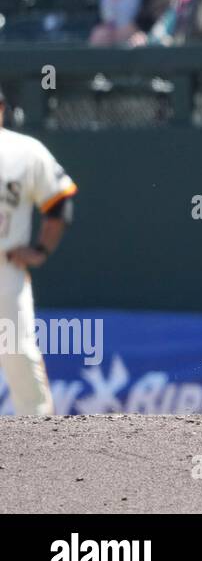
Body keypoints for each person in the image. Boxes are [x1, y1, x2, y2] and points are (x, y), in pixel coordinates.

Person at [0, 85, 78, 416]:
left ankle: (41, 447)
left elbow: (60, 200)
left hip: (6, 270)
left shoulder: (23, 151)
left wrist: (41, 249)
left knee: (21, 359)